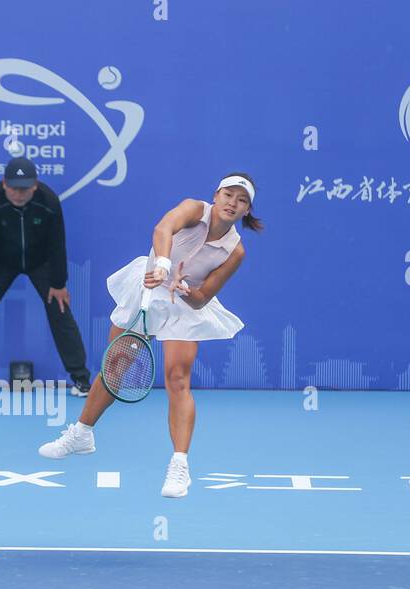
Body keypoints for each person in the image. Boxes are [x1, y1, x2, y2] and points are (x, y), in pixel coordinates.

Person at [37, 173, 264, 498]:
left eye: (242, 201)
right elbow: (163, 229)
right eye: (229, 195)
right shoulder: (192, 208)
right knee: (115, 367)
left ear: (246, 211)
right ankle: (82, 434)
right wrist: (160, 264)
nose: (233, 203)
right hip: (147, 286)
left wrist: (181, 287)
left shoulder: (235, 252)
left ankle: (179, 467)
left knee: (178, 378)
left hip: (181, 303)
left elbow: (202, 299)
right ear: (216, 195)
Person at [0, 157, 91, 396]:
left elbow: (57, 243)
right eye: (14, 188)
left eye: (24, 188)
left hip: (40, 262)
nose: (19, 194)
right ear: (4, 184)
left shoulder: (49, 201)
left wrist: (58, 283)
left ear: (35, 185)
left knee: (60, 311)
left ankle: (82, 380)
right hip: (3, 264)